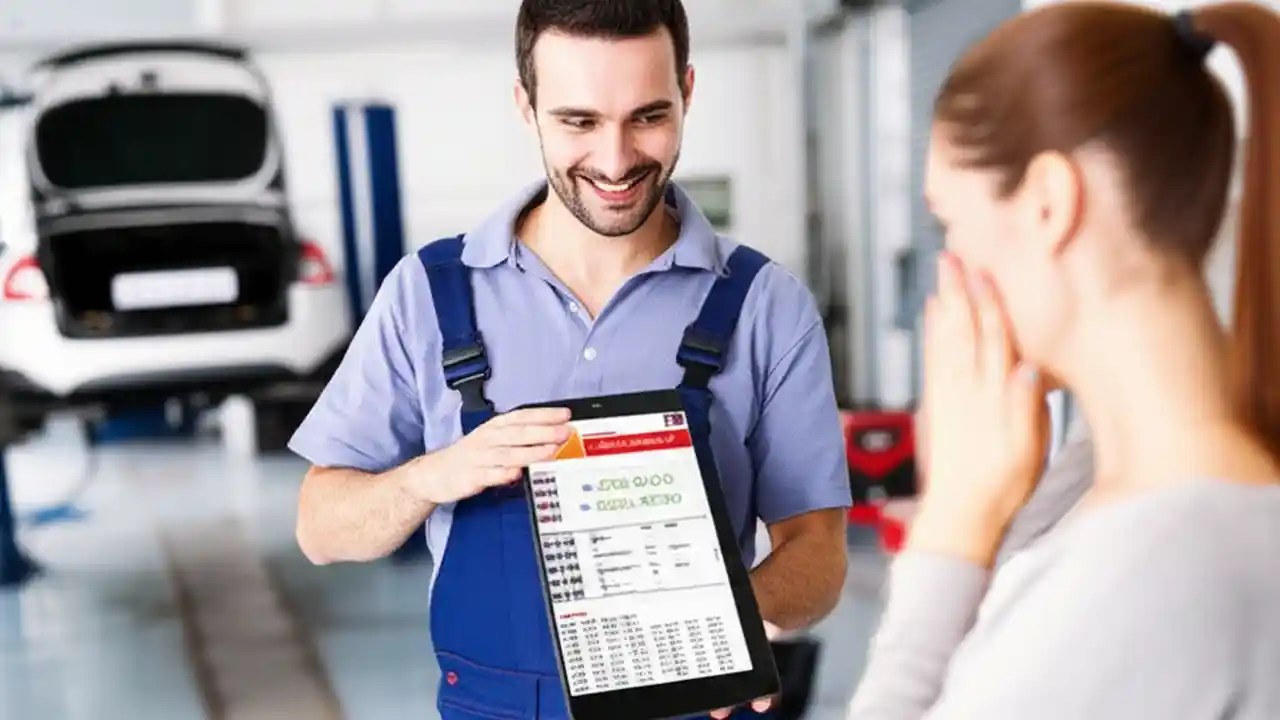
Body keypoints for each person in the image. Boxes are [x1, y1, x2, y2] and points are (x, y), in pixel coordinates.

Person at [287, 1, 853, 718]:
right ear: (526, 106)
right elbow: (320, 527)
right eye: (579, 121)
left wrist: (728, 624)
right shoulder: (428, 295)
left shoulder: (767, 306)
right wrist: (434, 475)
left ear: (688, 91)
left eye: (648, 116)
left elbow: (820, 553)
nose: (616, 162)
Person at [848, 2, 1280, 718]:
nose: (947, 268)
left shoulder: (1156, 566)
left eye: (947, 223)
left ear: (1048, 204)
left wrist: (952, 523)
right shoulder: (1125, 502)